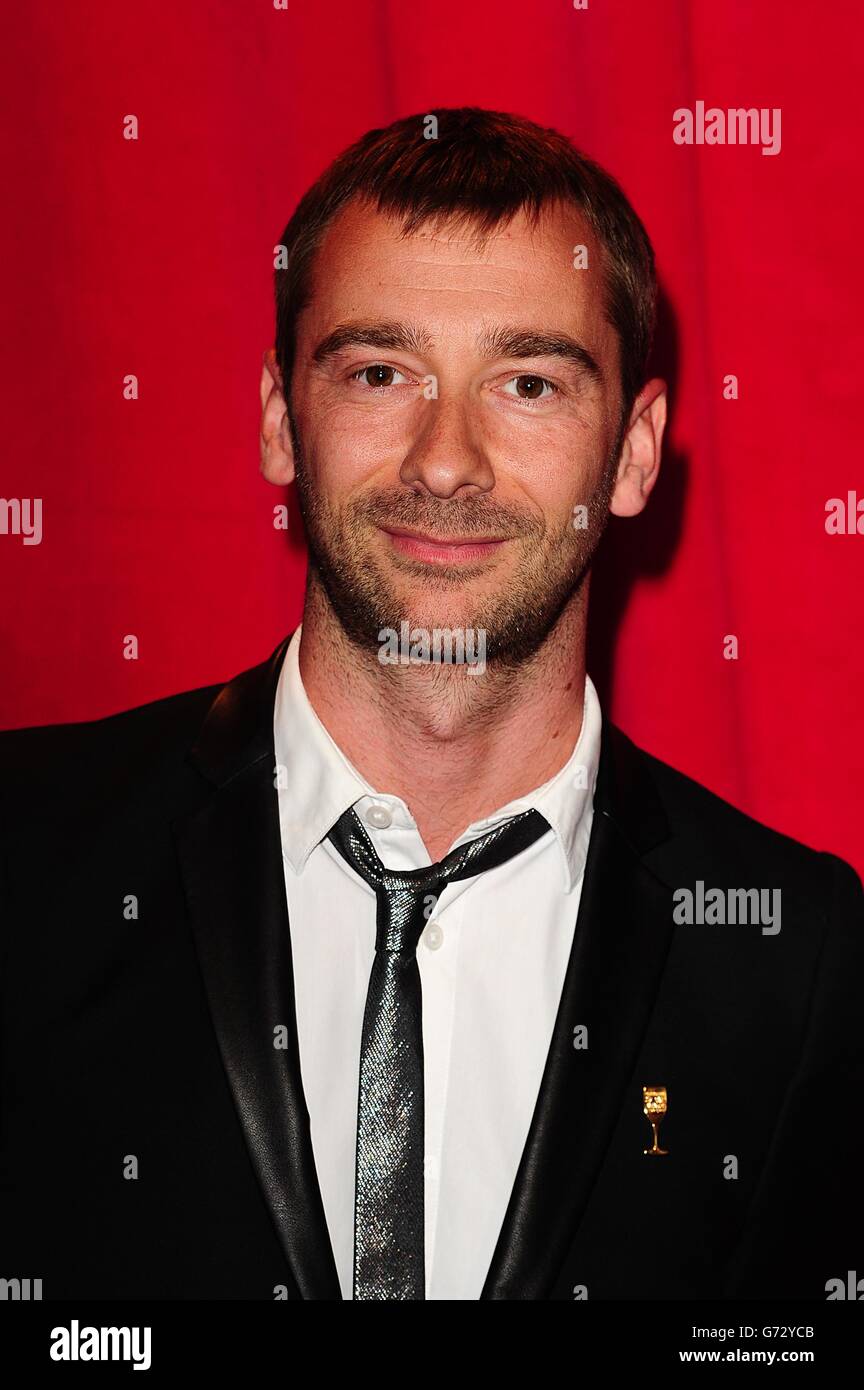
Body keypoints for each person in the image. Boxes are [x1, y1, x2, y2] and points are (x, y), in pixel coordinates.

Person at [1, 108, 861, 1302]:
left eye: (526, 381)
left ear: (634, 453)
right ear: (275, 417)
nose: (445, 459)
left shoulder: (798, 956)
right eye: (378, 372)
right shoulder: (23, 854)